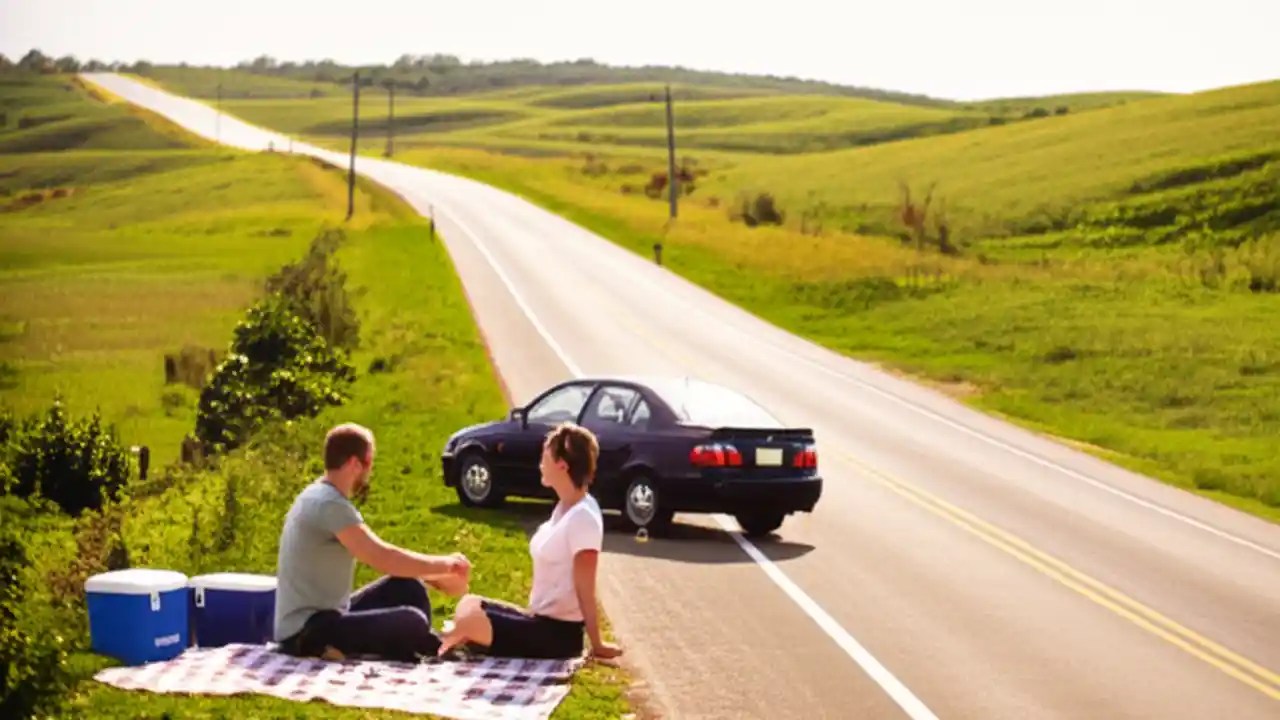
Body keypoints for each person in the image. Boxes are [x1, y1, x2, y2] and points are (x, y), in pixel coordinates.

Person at [273, 422, 470, 662]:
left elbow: (387, 561)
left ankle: (427, 645)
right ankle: (419, 642)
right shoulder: (329, 505)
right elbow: (383, 557)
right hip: (307, 631)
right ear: (355, 464)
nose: (369, 474)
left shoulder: (320, 496)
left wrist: (432, 577)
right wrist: (447, 566)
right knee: (411, 621)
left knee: (408, 587)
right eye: (369, 464)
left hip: (330, 615)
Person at [437, 422, 623, 661]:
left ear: (562, 465)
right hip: (537, 621)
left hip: (558, 637)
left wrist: (596, 643)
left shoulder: (583, 518)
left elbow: (585, 586)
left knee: (470, 618)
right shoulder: (564, 507)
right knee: (470, 604)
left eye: (545, 458)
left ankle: (454, 640)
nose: (540, 465)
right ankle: (459, 639)